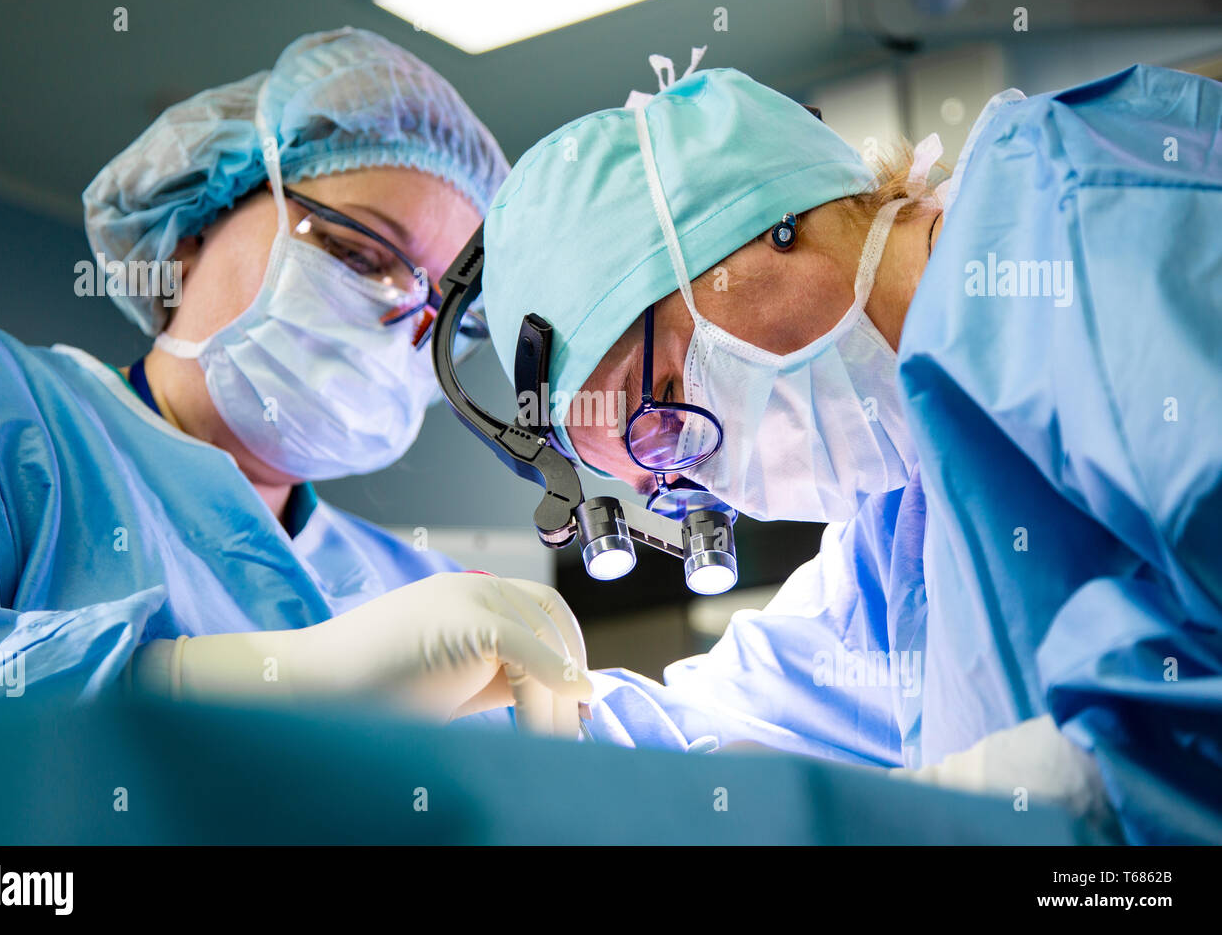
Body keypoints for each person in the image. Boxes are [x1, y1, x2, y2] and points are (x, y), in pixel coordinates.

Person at [477, 61, 1222, 842]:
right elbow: (686, 737)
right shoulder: (902, 543)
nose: (708, 474)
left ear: (764, 226)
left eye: (657, 404)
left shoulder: (1075, 216)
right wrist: (413, 698)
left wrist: (1096, 783)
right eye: (662, 474)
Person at [0, 27, 590, 733]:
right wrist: (230, 689)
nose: (400, 312)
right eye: (356, 251)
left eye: (441, 313)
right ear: (191, 233)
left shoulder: (424, 591)